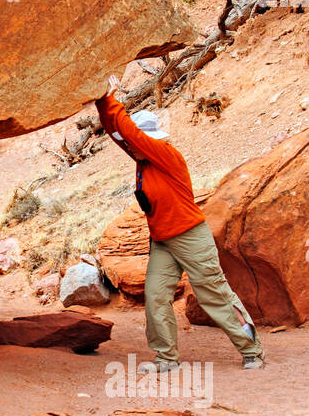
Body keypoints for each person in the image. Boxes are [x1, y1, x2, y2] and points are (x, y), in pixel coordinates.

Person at [95, 75, 264, 371]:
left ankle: (251, 350)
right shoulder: (142, 160)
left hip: (190, 235)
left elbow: (129, 135)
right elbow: (118, 133)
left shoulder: (165, 155)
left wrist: (112, 98)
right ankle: (166, 358)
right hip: (163, 240)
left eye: (134, 142)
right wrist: (101, 101)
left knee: (214, 291)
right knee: (156, 295)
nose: (129, 147)